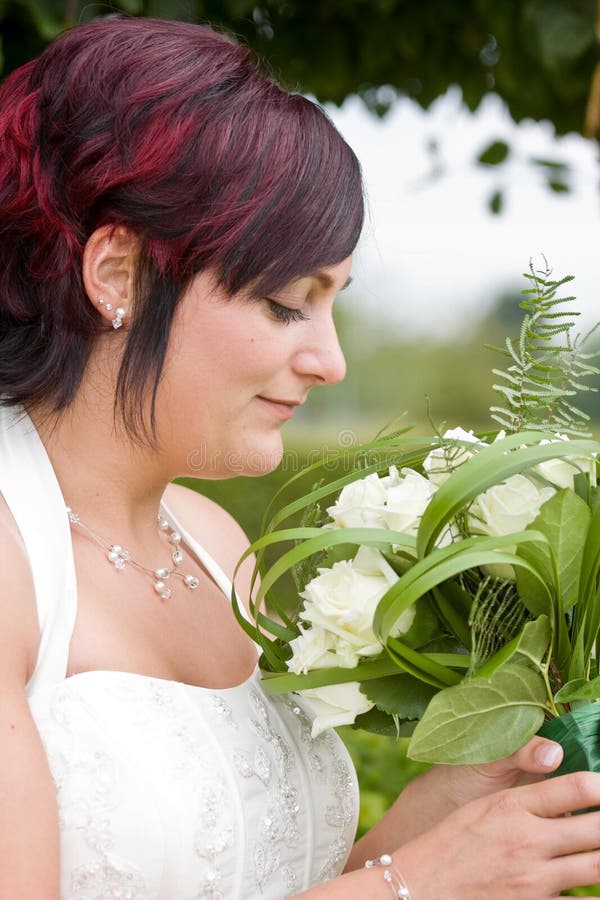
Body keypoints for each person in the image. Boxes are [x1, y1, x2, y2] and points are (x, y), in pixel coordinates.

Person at [1, 16, 600, 900]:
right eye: (288, 302)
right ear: (119, 273)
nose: (331, 360)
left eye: (335, 303)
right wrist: (414, 887)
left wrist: (439, 823)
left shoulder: (215, 547)